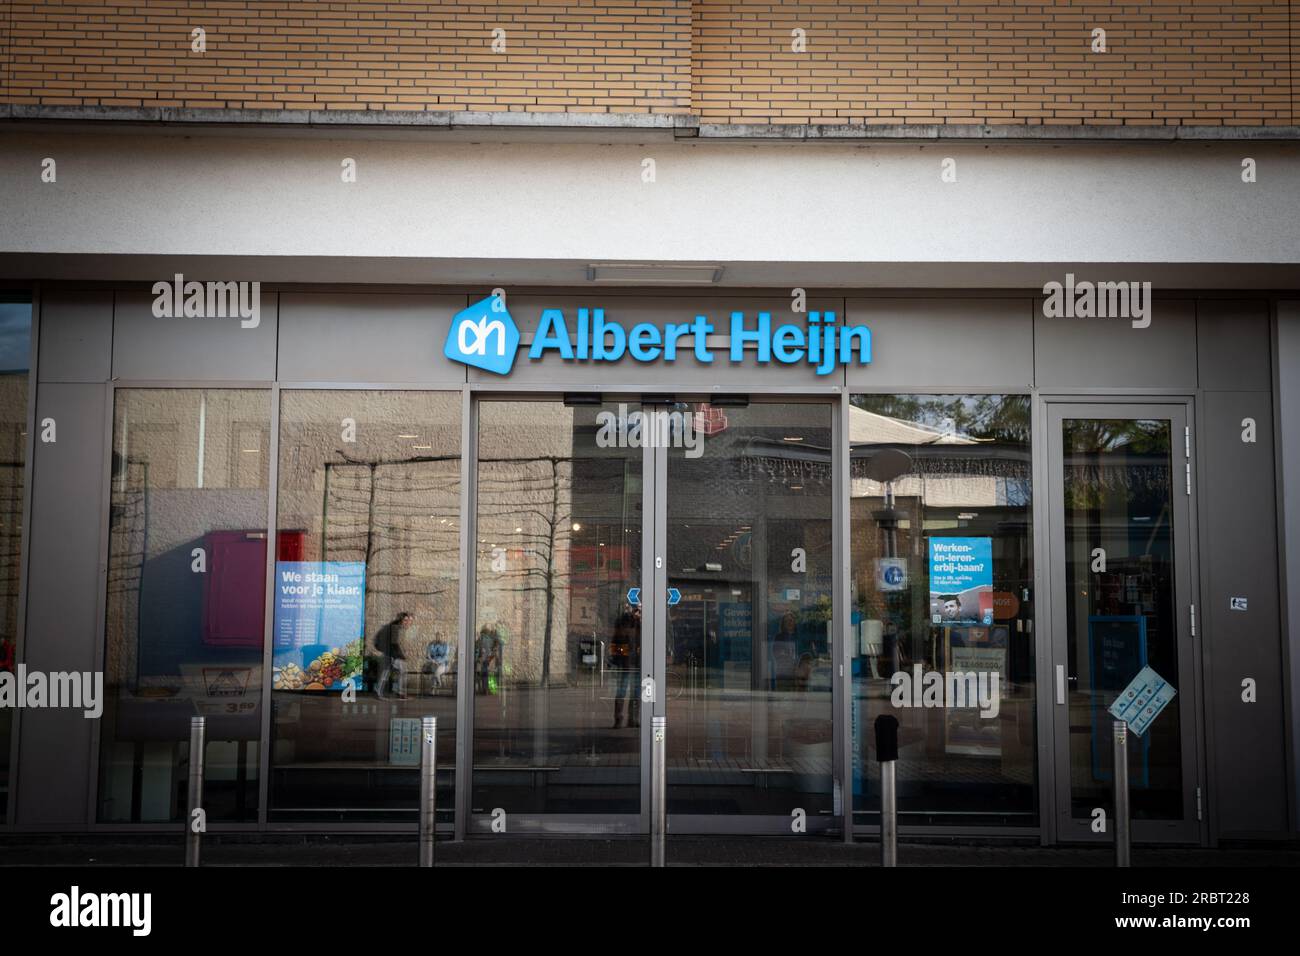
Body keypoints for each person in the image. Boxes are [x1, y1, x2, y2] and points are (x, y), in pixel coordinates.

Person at [609, 607, 641, 728]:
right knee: (622, 692)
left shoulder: (641, 626)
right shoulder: (623, 624)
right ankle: (619, 719)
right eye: (637, 610)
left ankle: (632, 719)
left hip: (636, 664)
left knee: (635, 693)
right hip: (626, 665)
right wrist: (622, 656)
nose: (638, 613)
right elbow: (617, 645)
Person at [374, 612, 412, 700]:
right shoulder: (395, 627)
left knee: (387, 673)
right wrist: (400, 655)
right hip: (390, 654)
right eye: (405, 620)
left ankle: (384, 691)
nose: (407, 622)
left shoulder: (393, 626)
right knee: (400, 670)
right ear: (401, 620)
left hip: (389, 653)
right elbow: (394, 644)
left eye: (408, 620)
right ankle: (399, 692)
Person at [770, 610, 799, 692]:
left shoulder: (799, 636)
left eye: (790, 620)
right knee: (782, 695)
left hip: (798, 673)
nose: (789, 623)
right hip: (783, 672)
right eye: (786, 621)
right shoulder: (779, 637)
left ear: (794, 622)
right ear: (783, 624)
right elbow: (776, 653)